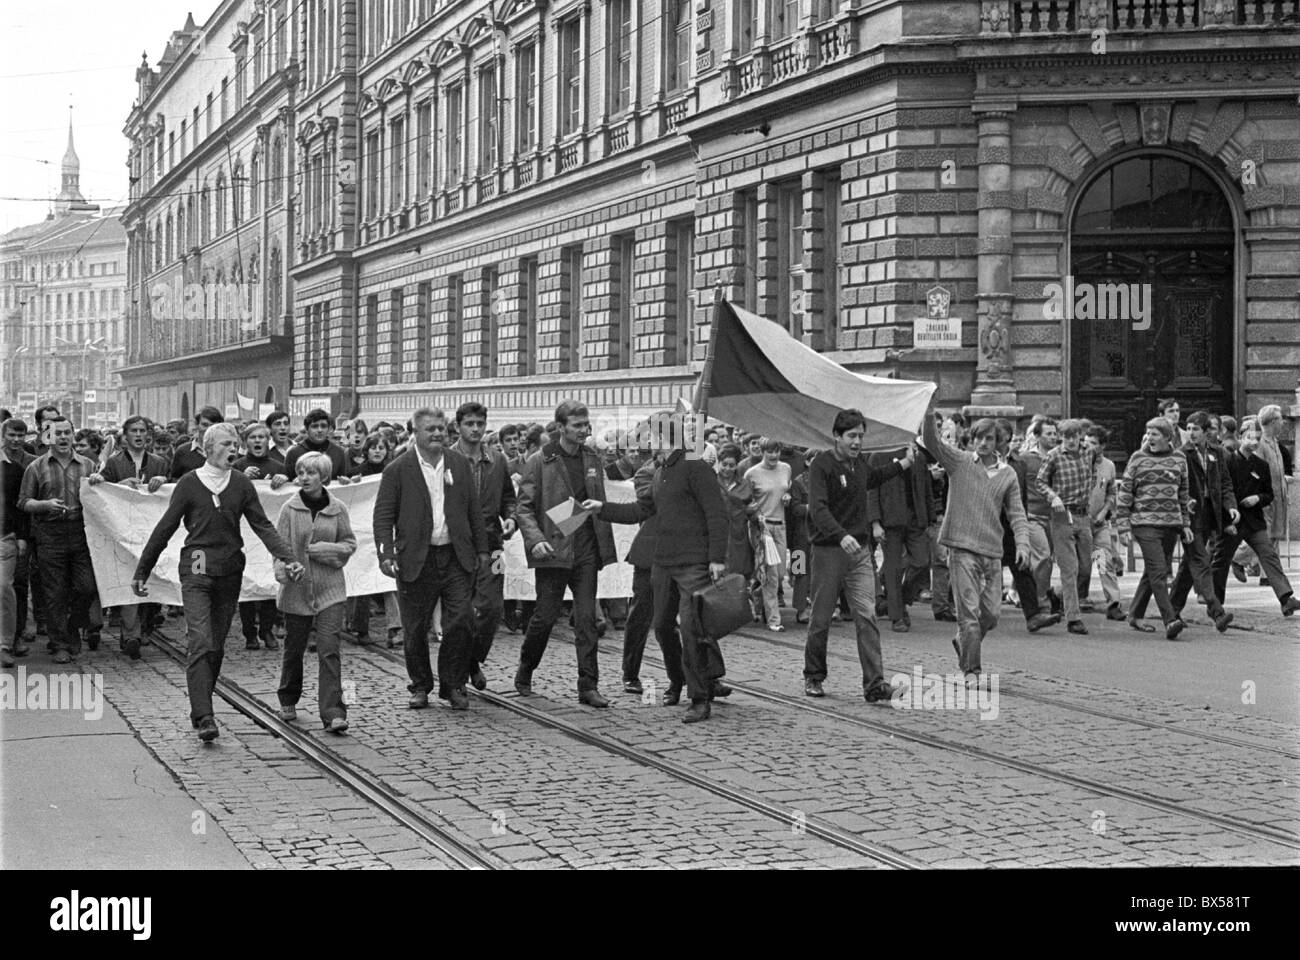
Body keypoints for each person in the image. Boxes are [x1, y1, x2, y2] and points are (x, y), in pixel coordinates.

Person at [132, 423, 302, 741]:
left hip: (230, 571)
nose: (234, 449)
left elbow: (262, 525)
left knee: (217, 646)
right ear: (208, 448)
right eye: (227, 444)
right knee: (200, 640)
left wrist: (287, 556)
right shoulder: (189, 483)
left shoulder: (240, 484)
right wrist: (143, 570)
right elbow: (165, 528)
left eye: (235, 444)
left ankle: (202, 700)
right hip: (196, 571)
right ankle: (205, 716)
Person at [586, 411, 729, 723]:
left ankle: (699, 696)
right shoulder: (662, 471)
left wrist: (717, 558)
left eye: (648, 435)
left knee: (693, 629)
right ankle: (677, 679)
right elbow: (642, 508)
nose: (644, 440)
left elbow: (718, 514)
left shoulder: (695, 467)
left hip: (693, 562)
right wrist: (602, 509)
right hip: (663, 562)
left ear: (665, 437)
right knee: (663, 626)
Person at [372, 407, 488, 711]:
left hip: (455, 556)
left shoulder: (460, 464)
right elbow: (383, 515)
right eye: (430, 429)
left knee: (461, 619)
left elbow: (474, 510)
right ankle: (420, 685)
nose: (437, 433)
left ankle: (452, 684)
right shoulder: (397, 469)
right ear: (415, 433)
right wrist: (386, 552)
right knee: (415, 626)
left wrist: (483, 550)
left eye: (441, 428)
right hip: (416, 558)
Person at [514, 400, 620, 707]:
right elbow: (524, 507)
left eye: (586, 424)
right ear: (561, 428)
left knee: (587, 620)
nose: (584, 430)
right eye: (577, 425)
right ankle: (526, 668)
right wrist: (535, 540)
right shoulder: (540, 460)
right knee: (544, 618)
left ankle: (588, 686)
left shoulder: (591, 457)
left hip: (587, 551)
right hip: (554, 551)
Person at [803, 409, 914, 700]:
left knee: (867, 616)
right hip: (829, 551)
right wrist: (841, 535)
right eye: (852, 436)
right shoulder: (822, 465)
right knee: (821, 617)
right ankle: (814, 676)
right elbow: (818, 509)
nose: (857, 442)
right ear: (836, 436)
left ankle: (875, 684)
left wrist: (903, 463)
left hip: (860, 553)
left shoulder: (858, 464)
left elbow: (875, 477)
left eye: (861, 436)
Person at [923, 412, 1029, 686]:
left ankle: (964, 643)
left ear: (998, 442)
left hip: (992, 549)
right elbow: (931, 442)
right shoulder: (959, 462)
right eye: (978, 438)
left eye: (989, 438)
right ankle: (972, 670)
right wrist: (928, 408)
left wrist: (1023, 544)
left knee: (991, 614)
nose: (982, 443)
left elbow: (1017, 513)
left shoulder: (1008, 474)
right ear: (971, 440)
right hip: (961, 547)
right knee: (968, 613)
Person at [272, 452, 356, 732]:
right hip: (297, 590)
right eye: (301, 472)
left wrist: (323, 551)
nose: (305, 478)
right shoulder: (289, 509)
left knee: (329, 650)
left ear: (323, 476)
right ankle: (288, 696)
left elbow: (348, 544)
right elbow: (279, 548)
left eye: (311, 472)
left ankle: (334, 712)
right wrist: (285, 569)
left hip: (331, 589)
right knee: (294, 649)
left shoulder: (338, 508)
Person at [17, 416, 99, 664]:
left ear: (73, 435)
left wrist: (100, 482)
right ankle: (60, 643)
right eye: (57, 433)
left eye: (67, 433)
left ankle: (74, 625)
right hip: (50, 534)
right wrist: (44, 505)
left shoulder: (87, 465)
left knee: (87, 587)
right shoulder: (36, 467)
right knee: (55, 592)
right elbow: (23, 502)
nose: (63, 437)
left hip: (81, 532)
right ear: (47, 438)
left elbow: (102, 497)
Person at [88, 415, 170, 659]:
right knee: (123, 578)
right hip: (120, 530)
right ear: (125, 435)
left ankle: (136, 632)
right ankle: (125, 633)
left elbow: (174, 492)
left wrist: (164, 481)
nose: (138, 434)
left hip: (148, 530)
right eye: (133, 430)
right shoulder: (113, 463)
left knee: (144, 579)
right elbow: (102, 488)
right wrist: (118, 484)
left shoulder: (159, 463)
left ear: (148, 435)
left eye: (143, 430)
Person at [451, 402, 518, 688]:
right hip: (456, 548)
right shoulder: (446, 458)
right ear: (458, 427)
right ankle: (464, 666)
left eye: (480, 423)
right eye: (470, 423)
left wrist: (512, 519)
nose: (476, 429)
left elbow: (509, 498)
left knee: (492, 609)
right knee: (461, 612)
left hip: (493, 546)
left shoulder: (497, 460)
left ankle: (473, 658)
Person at [1211, 422, 1300, 615]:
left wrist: (1258, 498)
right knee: (1221, 560)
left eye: (1257, 439)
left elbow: (1269, 493)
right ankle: (1215, 602)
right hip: (1233, 520)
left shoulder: (1261, 466)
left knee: (1269, 555)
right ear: (1241, 437)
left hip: (1254, 520)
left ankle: (1286, 598)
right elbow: (1221, 493)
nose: (1253, 442)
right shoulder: (1228, 462)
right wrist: (1226, 521)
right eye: (1250, 438)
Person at [1117, 418, 1193, 640]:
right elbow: (1125, 493)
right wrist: (1123, 527)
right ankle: (1170, 619)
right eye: (1148, 433)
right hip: (1144, 524)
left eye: (1155, 434)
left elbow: (1183, 494)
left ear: (1168, 437)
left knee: (1152, 572)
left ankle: (1135, 614)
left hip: (1170, 525)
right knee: (1159, 571)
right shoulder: (1137, 458)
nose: (1150, 438)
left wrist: (1185, 523)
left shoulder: (1179, 458)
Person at [867, 442, 935, 633]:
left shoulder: (919, 456)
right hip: (890, 520)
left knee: (922, 561)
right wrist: (875, 523)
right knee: (893, 569)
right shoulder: (879, 456)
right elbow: (871, 491)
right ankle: (897, 616)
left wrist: (930, 519)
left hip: (916, 519)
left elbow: (926, 488)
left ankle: (898, 600)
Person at [1037, 419, 1096, 635]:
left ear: (1080, 435)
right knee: (1069, 568)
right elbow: (1040, 481)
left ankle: (1062, 599)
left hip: (1082, 514)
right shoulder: (1054, 456)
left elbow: (1094, 473)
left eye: (1074, 436)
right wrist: (1053, 497)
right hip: (1062, 515)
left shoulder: (1090, 452)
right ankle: (1074, 618)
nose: (1070, 441)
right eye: (1066, 437)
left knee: (1086, 567)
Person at [744, 438, 793, 631]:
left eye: (776, 451)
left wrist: (787, 498)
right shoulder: (751, 473)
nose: (773, 455)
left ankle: (757, 592)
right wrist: (756, 514)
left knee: (780, 574)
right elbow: (745, 501)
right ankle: (774, 620)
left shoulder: (786, 468)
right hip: (761, 528)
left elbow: (786, 489)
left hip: (781, 525)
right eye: (769, 451)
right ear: (762, 452)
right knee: (772, 575)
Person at [1081, 425, 1126, 621]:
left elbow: (1111, 493)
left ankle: (1113, 602)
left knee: (1104, 562)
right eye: (1086, 442)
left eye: (1092, 443)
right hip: (1079, 524)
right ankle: (1072, 596)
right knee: (1081, 566)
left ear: (1102, 446)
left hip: (1098, 525)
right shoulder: (1076, 462)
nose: (1087, 446)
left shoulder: (1108, 466)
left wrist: (1105, 510)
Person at [1, 420, 32, 668]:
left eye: (19, 435)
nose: (15, 439)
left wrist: (22, 536)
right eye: (11, 434)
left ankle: (5, 644)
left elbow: (20, 507)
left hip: (6, 538)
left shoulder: (14, 470)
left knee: (5, 588)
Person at [1256, 404, 1293, 588]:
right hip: (1267, 497)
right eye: (1279, 419)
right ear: (1271, 422)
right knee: (1265, 536)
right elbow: (1257, 471)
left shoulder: (1275, 442)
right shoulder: (1261, 444)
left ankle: (1268, 574)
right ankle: (1239, 559)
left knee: (1274, 536)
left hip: (1278, 496)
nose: (1283, 422)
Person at [285, 408, 354, 482]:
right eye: (315, 426)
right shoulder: (293, 453)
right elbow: (287, 486)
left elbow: (345, 481)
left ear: (328, 429)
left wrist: (347, 480)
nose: (320, 430)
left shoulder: (338, 452)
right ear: (307, 429)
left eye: (323, 426)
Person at [168, 406, 223, 480]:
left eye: (213, 426)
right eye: (205, 425)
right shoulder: (182, 451)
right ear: (197, 425)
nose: (208, 429)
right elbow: (173, 480)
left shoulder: (224, 451)